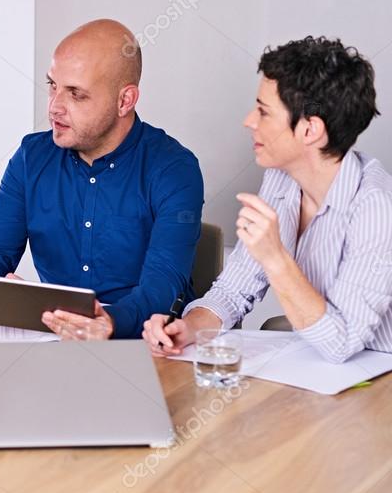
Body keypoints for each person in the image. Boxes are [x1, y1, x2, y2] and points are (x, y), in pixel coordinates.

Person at [143, 36, 391, 363]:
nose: (249, 121)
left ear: (310, 130)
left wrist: (275, 257)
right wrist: (188, 328)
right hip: (318, 366)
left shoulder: (376, 208)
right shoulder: (281, 176)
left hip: (376, 371)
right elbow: (233, 291)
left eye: (264, 112)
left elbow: (341, 343)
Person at [0, 19, 204, 339]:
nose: (54, 107)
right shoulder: (32, 157)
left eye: (76, 94)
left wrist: (107, 322)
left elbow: (162, 290)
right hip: (53, 341)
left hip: (143, 344)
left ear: (125, 100)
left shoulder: (174, 169)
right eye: (52, 85)